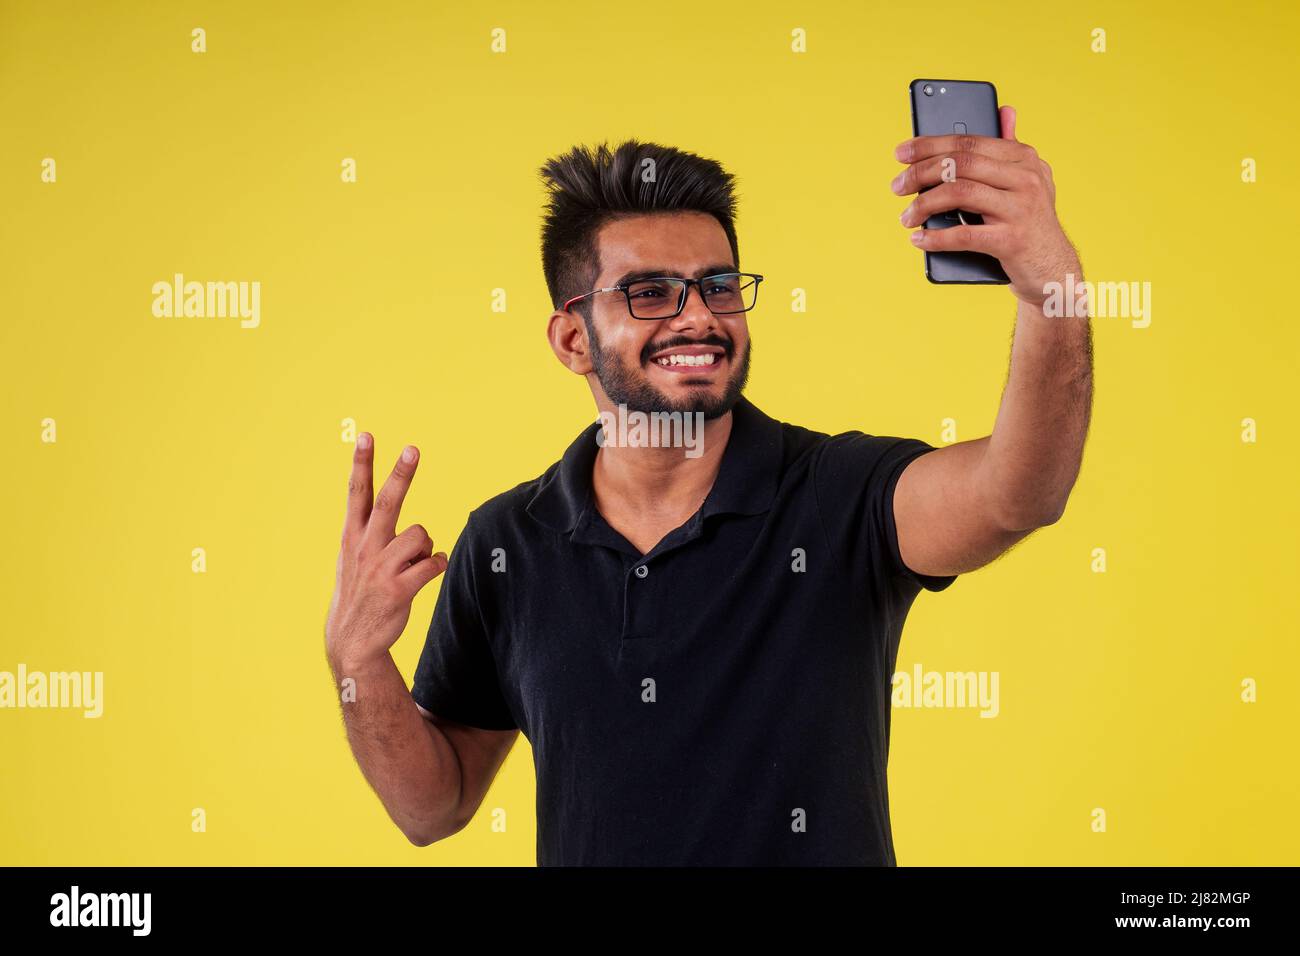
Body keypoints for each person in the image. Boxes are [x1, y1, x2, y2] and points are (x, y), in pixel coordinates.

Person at [324, 111, 1092, 865]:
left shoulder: (839, 496)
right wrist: (358, 662)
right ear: (571, 339)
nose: (698, 318)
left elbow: (1016, 493)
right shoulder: (507, 543)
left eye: (718, 286)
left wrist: (1050, 285)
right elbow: (432, 807)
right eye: (649, 293)